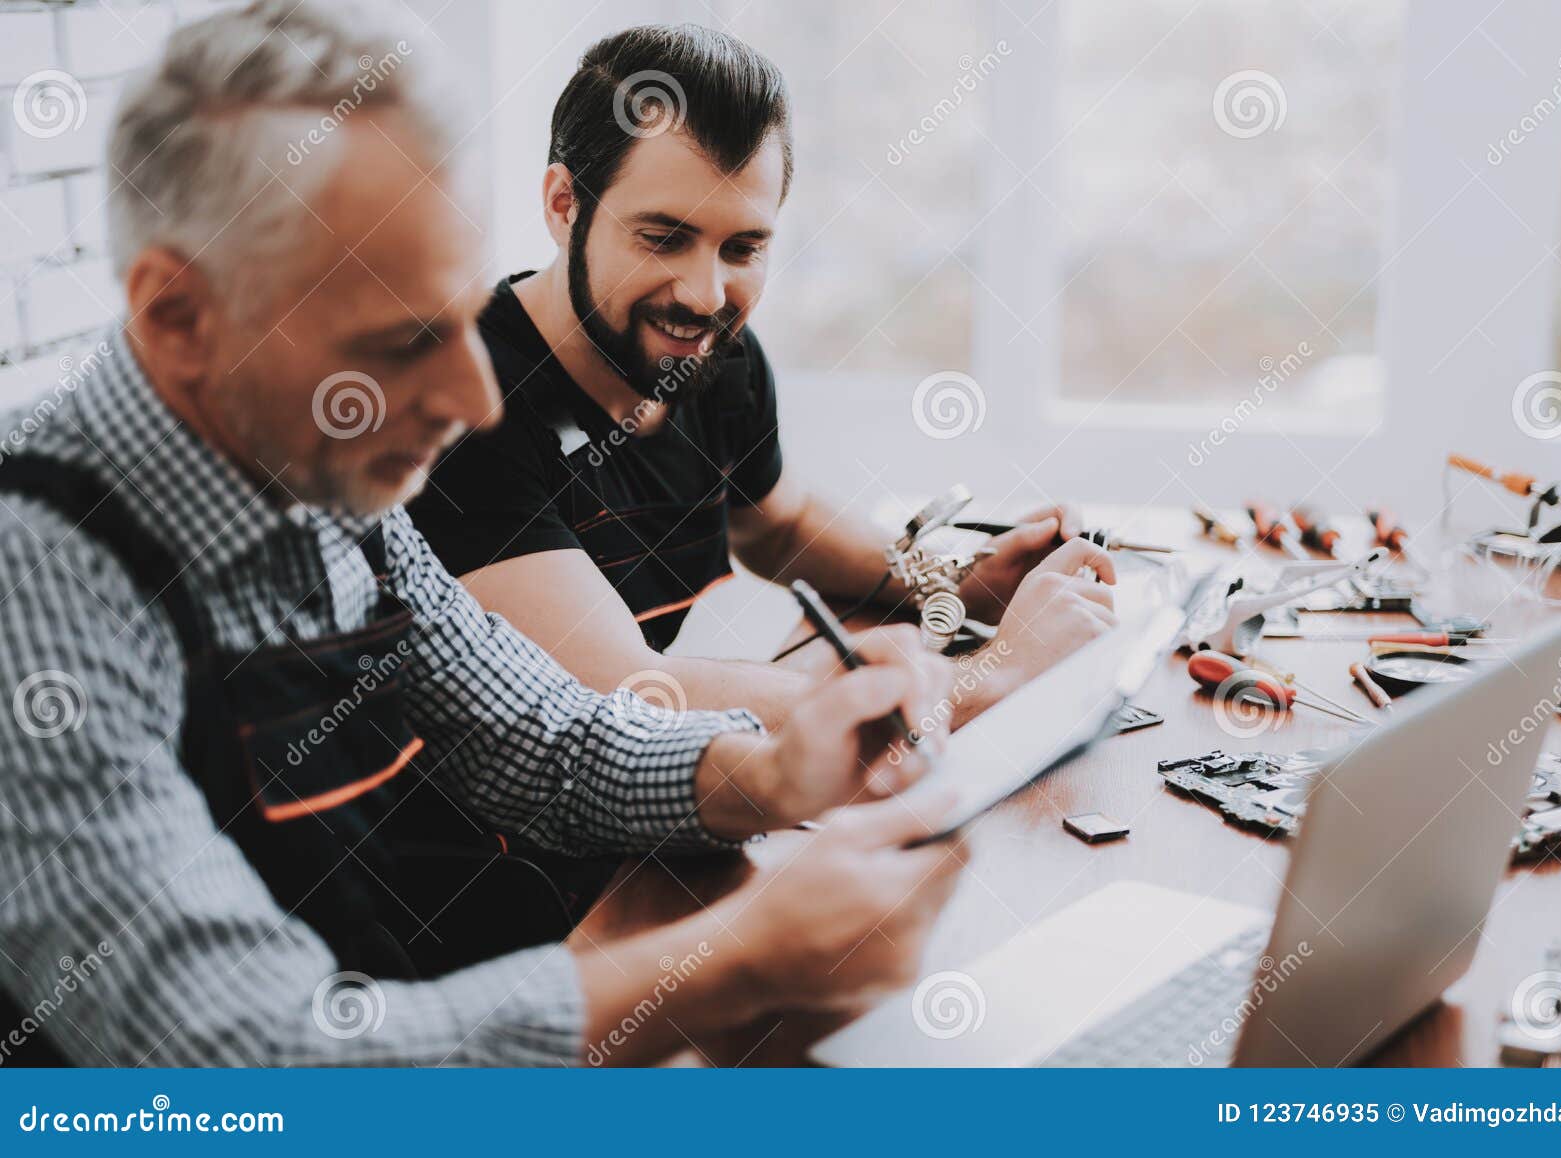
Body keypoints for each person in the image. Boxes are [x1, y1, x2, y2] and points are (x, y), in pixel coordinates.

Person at [0, 0, 962, 1068]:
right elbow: (268, 1068)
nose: (472, 392)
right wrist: (731, 964)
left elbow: (535, 736)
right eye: (408, 340)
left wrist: (771, 772)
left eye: (463, 316)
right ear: (182, 320)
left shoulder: (315, 476)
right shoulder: (33, 586)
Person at [407, 24, 1118, 732]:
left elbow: (780, 525)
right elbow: (614, 688)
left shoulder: (713, 361)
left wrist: (958, 581)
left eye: (742, 246)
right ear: (565, 205)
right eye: (663, 238)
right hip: (494, 838)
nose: (706, 294)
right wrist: (993, 677)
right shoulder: (464, 402)